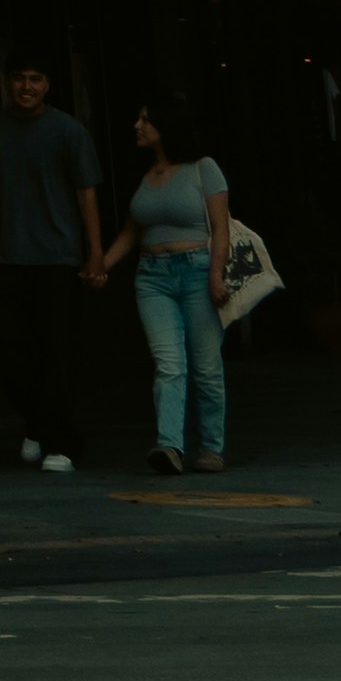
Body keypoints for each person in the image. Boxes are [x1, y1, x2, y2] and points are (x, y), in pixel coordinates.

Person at [0, 58, 107, 478]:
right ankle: (40, 420)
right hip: (5, 254)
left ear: (48, 84)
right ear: (8, 83)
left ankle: (61, 442)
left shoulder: (69, 131)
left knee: (54, 349)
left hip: (57, 257)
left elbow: (86, 194)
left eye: (35, 79)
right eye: (19, 78)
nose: (26, 86)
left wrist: (95, 252)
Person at [106, 102, 234, 477]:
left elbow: (220, 227)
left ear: (167, 125)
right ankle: (170, 446)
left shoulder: (203, 168)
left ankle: (211, 447)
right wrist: (99, 266)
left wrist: (216, 276)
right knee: (168, 364)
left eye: (146, 119)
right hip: (152, 277)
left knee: (207, 367)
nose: (137, 125)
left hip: (197, 272)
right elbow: (132, 232)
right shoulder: (145, 175)